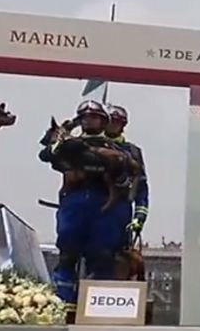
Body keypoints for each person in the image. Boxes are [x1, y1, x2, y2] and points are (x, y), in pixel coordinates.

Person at [42, 99, 116, 303]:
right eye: (85, 117)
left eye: (94, 117)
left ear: (103, 122)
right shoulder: (68, 144)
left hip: (102, 203)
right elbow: (47, 155)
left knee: (101, 256)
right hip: (74, 201)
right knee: (67, 252)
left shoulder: (115, 148)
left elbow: (126, 174)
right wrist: (62, 137)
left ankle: (99, 303)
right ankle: (62, 298)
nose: (89, 121)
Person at [105, 104, 149, 241]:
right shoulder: (90, 145)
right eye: (110, 121)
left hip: (121, 208)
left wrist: (139, 216)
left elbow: (141, 186)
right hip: (93, 206)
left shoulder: (133, 152)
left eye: (117, 122)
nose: (113, 125)